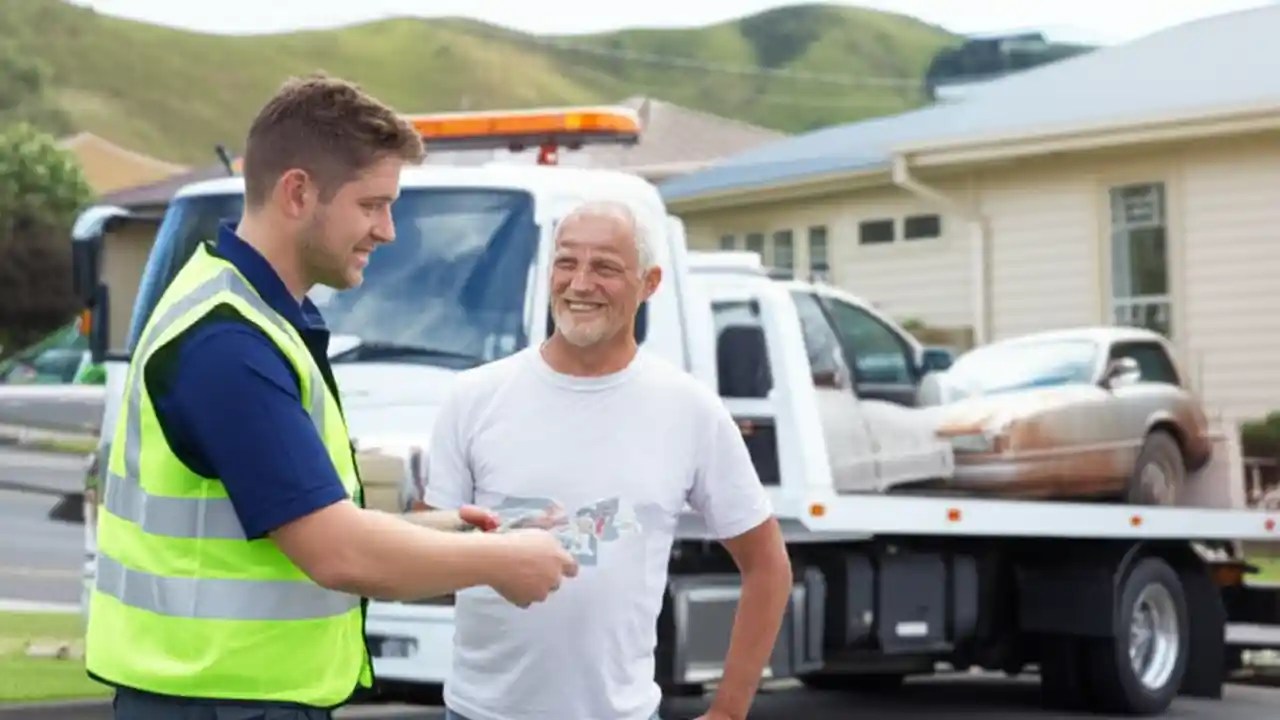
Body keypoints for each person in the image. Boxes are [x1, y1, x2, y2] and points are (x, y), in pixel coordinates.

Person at [83, 73, 579, 720]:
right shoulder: (229, 344)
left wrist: (447, 528)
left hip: (221, 697)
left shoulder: (250, 318)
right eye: (372, 204)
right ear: (298, 192)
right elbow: (337, 551)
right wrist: (497, 560)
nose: (389, 230)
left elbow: (298, 521)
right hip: (222, 702)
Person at [422, 199, 795, 720]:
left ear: (650, 283)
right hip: (478, 712)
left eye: (605, 267)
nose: (580, 284)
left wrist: (730, 710)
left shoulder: (688, 409)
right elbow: (425, 556)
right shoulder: (474, 397)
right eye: (567, 262)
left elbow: (768, 565)